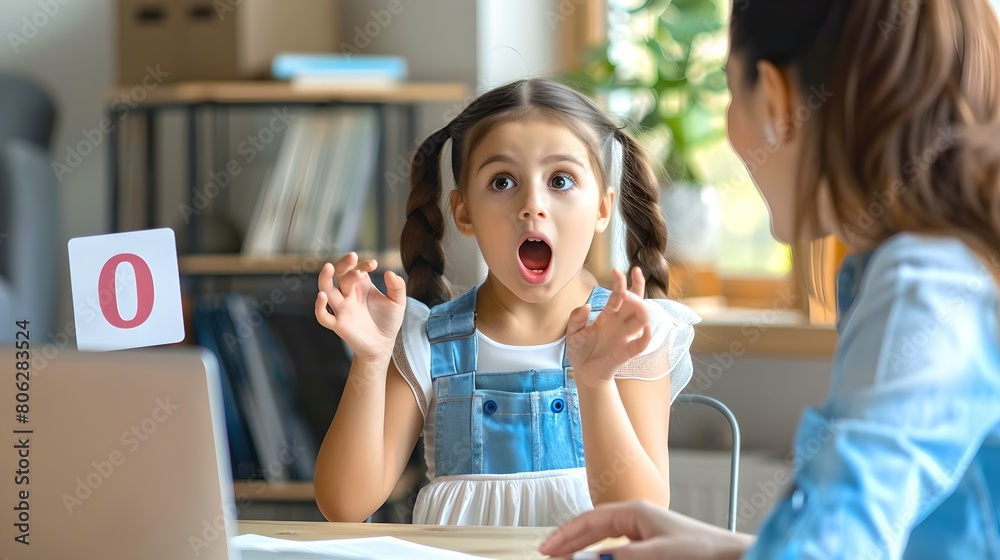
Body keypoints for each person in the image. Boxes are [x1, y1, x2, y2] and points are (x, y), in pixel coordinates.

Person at [539, 0, 1000, 557]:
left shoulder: (921, 288)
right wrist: (724, 550)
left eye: (734, 94)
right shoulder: (936, 270)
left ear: (778, 101)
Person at [311, 78, 702, 526]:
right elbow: (343, 505)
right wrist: (371, 358)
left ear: (601, 208)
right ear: (464, 213)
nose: (532, 205)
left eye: (560, 180)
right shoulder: (424, 341)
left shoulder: (634, 336)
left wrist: (595, 382)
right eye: (502, 181)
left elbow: (642, 517)